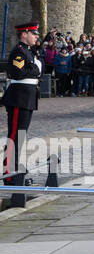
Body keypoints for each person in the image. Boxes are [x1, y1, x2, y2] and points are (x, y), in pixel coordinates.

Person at [2, 22, 42, 188]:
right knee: (15, 136)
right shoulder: (19, 51)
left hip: (27, 97)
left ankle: (14, 169)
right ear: (24, 34)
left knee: (20, 136)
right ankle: (9, 173)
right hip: (19, 97)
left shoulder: (29, 51)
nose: (36, 37)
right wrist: (35, 69)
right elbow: (18, 73)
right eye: (33, 34)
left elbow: (36, 69)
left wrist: (34, 67)